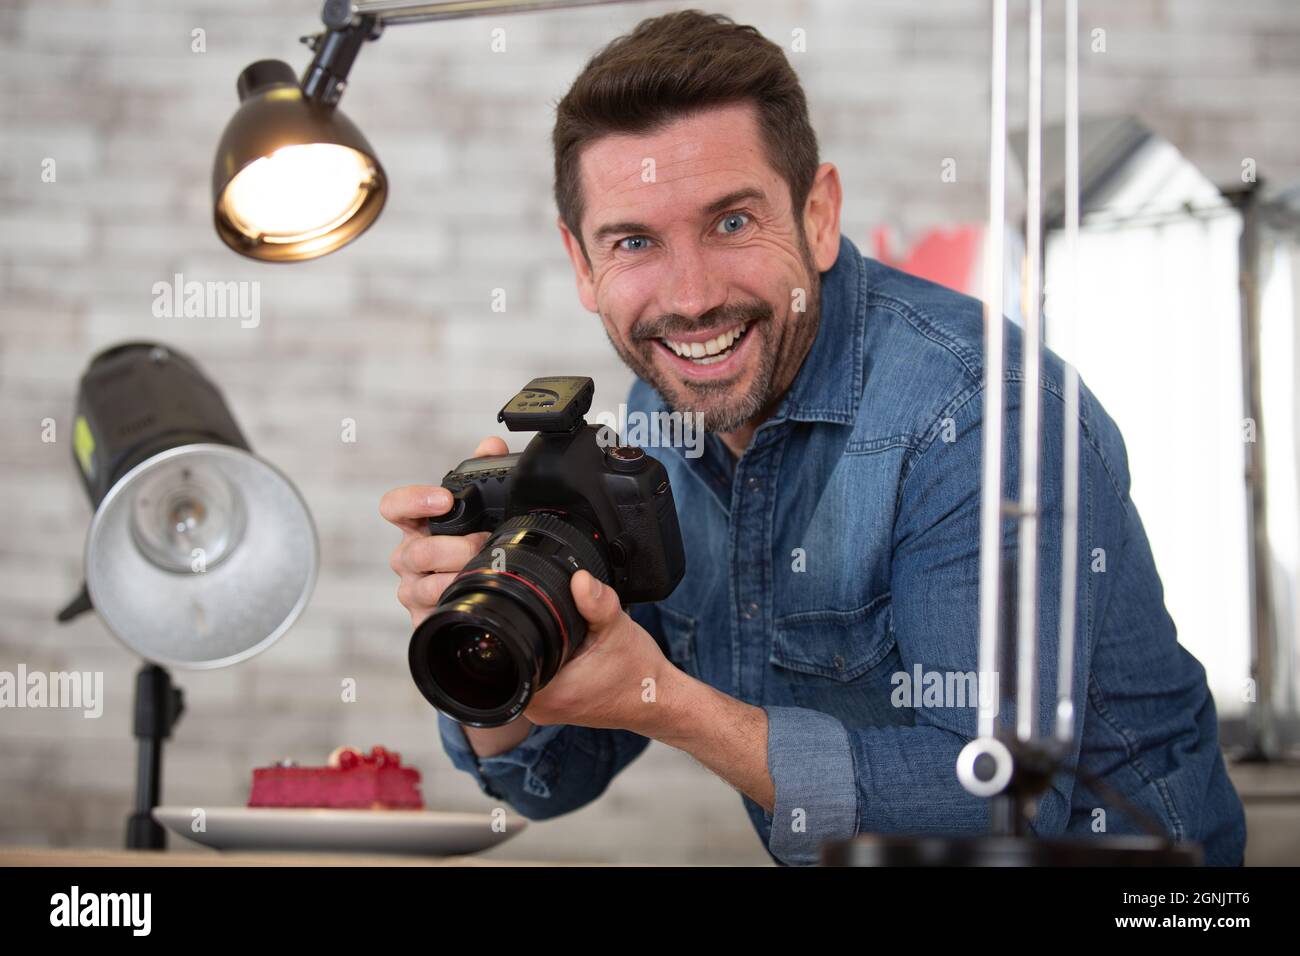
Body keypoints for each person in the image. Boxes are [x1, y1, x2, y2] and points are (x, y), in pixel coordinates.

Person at [381, 10, 1246, 866]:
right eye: (635, 240)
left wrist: (665, 702)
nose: (689, 298)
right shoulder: (659, 419)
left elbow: (997, 802)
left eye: (730, 223)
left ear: (819, 215)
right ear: (582, 263)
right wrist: (490, 620)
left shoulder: (984, 417)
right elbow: (549, 783)